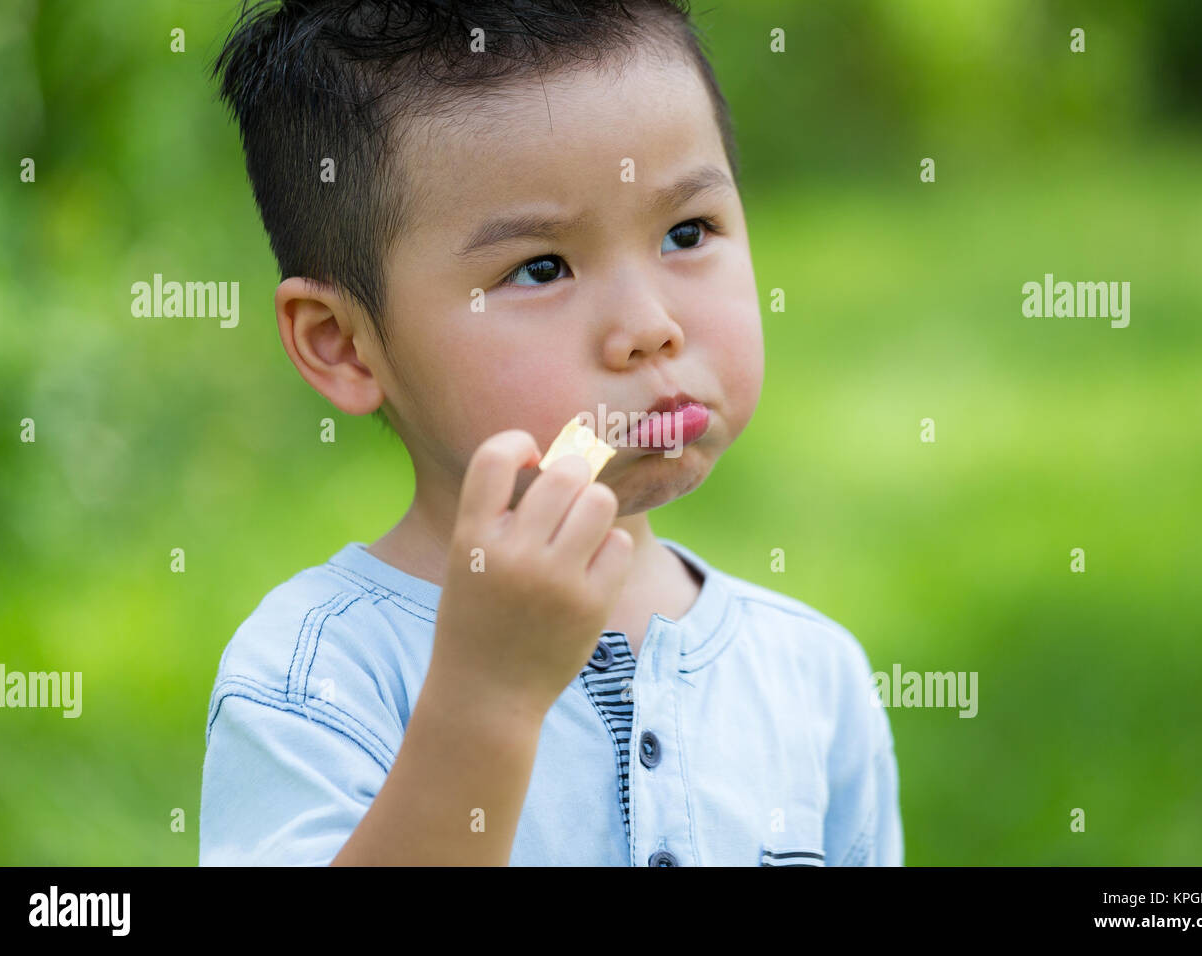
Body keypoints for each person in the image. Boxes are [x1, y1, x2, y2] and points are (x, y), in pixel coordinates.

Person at [199, 0, 901, 866]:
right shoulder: (316, 677)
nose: (649, 327)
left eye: (688, 232)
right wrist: (486, 701)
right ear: (343, 344)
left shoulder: (814, 678)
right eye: (540, 268)